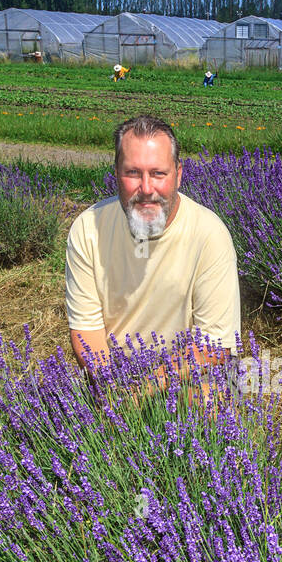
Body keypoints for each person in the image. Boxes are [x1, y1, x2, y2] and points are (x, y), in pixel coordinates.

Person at [65, 114, 240, 404]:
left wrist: (143, 390)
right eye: (133, 173)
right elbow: (86, 332)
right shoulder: (88, 229)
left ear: (178, 175)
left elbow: (214, 346)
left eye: (158, 173)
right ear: (116, 173)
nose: (146, 188)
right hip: (117, 373)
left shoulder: (209, 234)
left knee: (209, 398)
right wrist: (114, 391)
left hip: (186, 372)